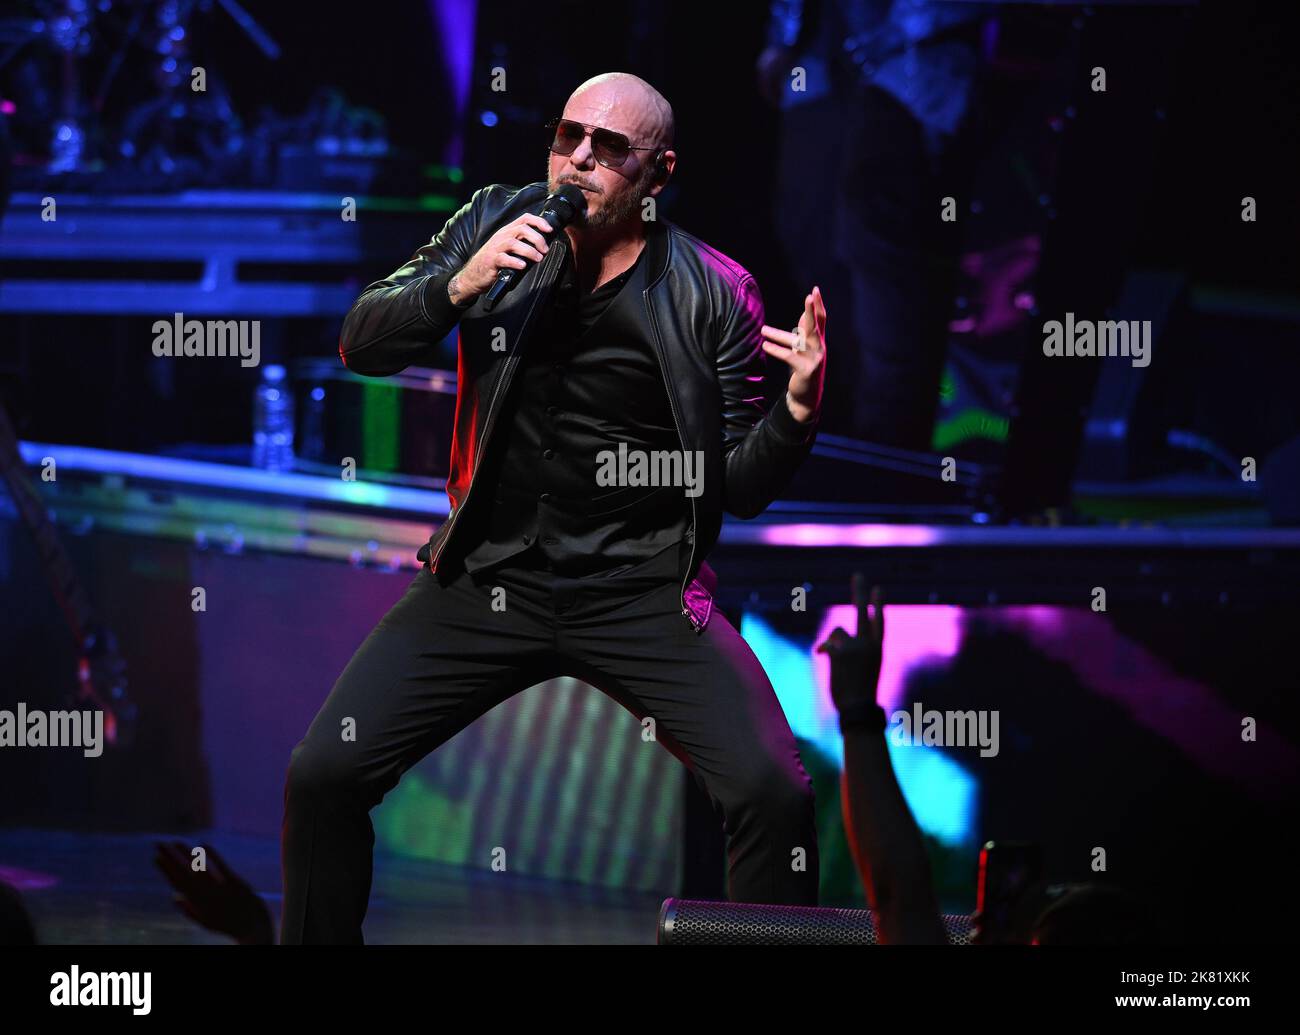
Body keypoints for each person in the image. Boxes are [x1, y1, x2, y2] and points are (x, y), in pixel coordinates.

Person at [280, 72, 829, 944]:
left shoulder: (716, 293)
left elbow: (741, 487)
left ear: (658, 173)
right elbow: (362, 340)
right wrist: (455, 289)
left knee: (772, 790)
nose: (577, 160)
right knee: (323, 774)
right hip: (485, 578)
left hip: (639, 591)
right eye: (566, 136)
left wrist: (796, 415)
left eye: (608, 149)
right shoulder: (495, 221)